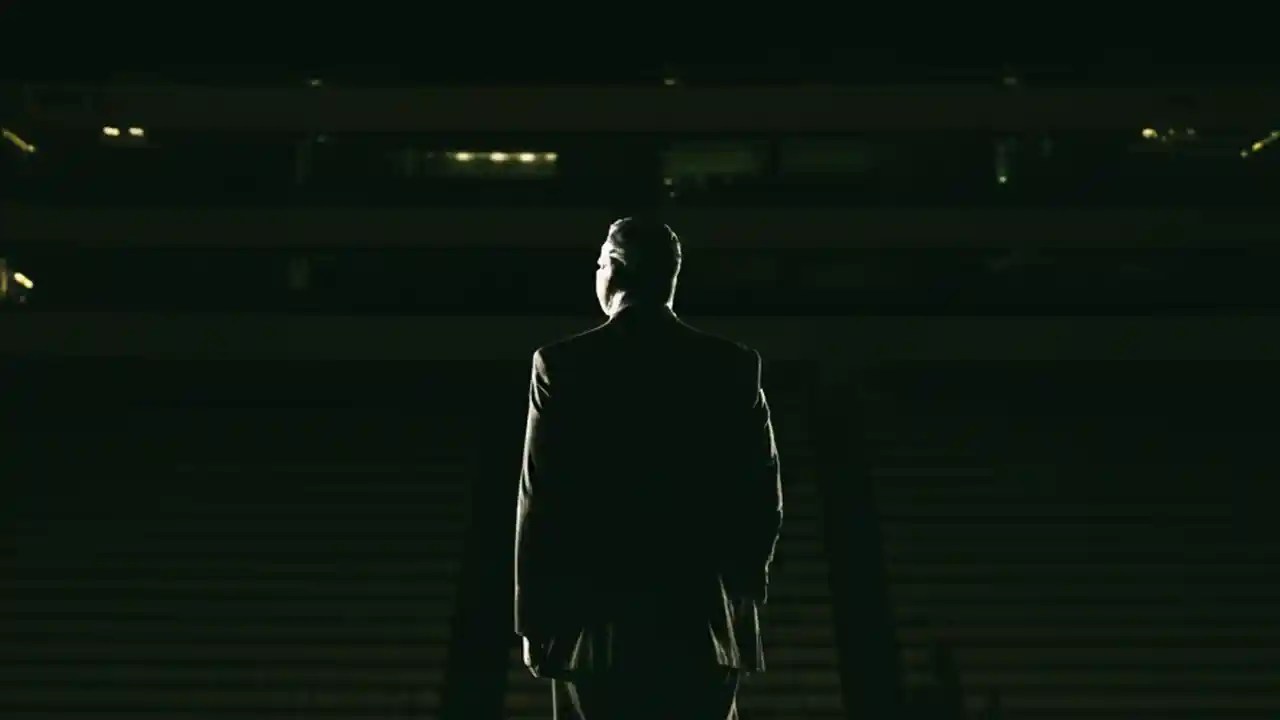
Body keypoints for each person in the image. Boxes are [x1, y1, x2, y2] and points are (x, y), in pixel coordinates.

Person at [514, 217, 784, 719]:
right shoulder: (731, 365)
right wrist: (743, 586)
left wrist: (535, 620)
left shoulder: (562, 365)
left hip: (595, 633)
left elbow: (541, 500)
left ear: (614, 270)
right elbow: (761, 494)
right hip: (703, 626)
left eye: (599, 262)